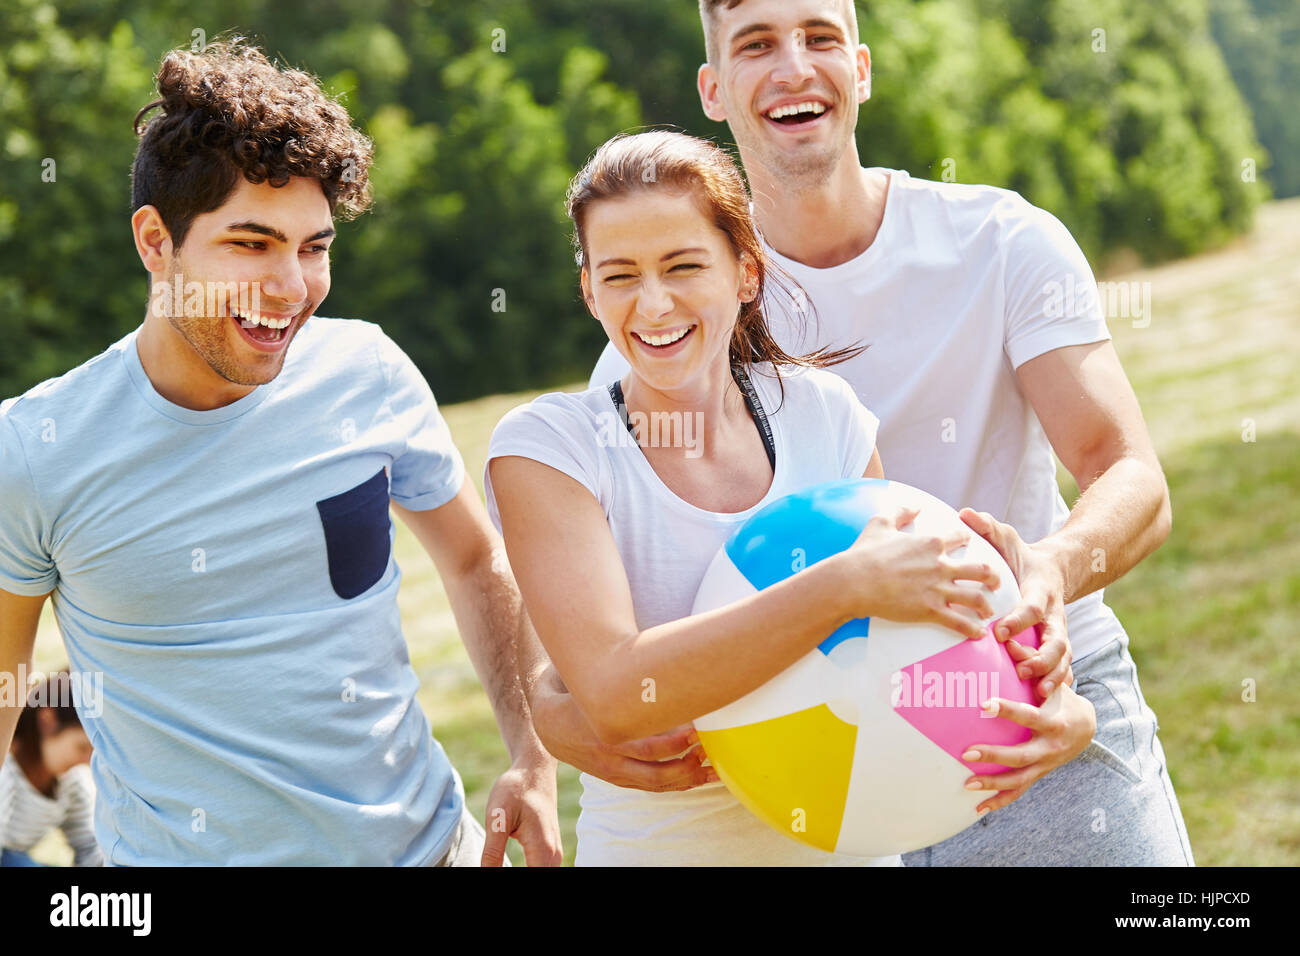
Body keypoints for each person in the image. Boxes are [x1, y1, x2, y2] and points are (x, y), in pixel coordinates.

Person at [575, 0, 1194, 865]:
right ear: (713, 90)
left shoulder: (1003, 241)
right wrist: (545, 721)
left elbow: (1126, 469)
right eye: (757, 45)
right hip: (808, 746)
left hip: (1030, 692)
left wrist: (1047, 570)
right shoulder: (675, 316)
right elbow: (608, 588)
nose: (794, 67)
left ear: (860, 69)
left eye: (820, 38)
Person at [0, 40, 559, 866]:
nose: (293, 288)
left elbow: (479, 564)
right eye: (252, 244)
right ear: (156, 242)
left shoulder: (368, 372)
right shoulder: (36, 448)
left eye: (314, 246)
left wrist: (533, 756)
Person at [486, 129, 1095, 866]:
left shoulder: (826, 414)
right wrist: (840, 587)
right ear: (588, 290)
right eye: (619, 276)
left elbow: (910, 642)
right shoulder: (549, 448)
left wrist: (1054, 702)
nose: (652, 305)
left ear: (748, 272)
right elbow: (619, 691)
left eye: (683, 266)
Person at [1, 671, 101, 867]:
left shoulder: (70, 783)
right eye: (81, 748)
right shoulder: (6, 765)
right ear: (48, 719)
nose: (87, 762)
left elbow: (88, 847)